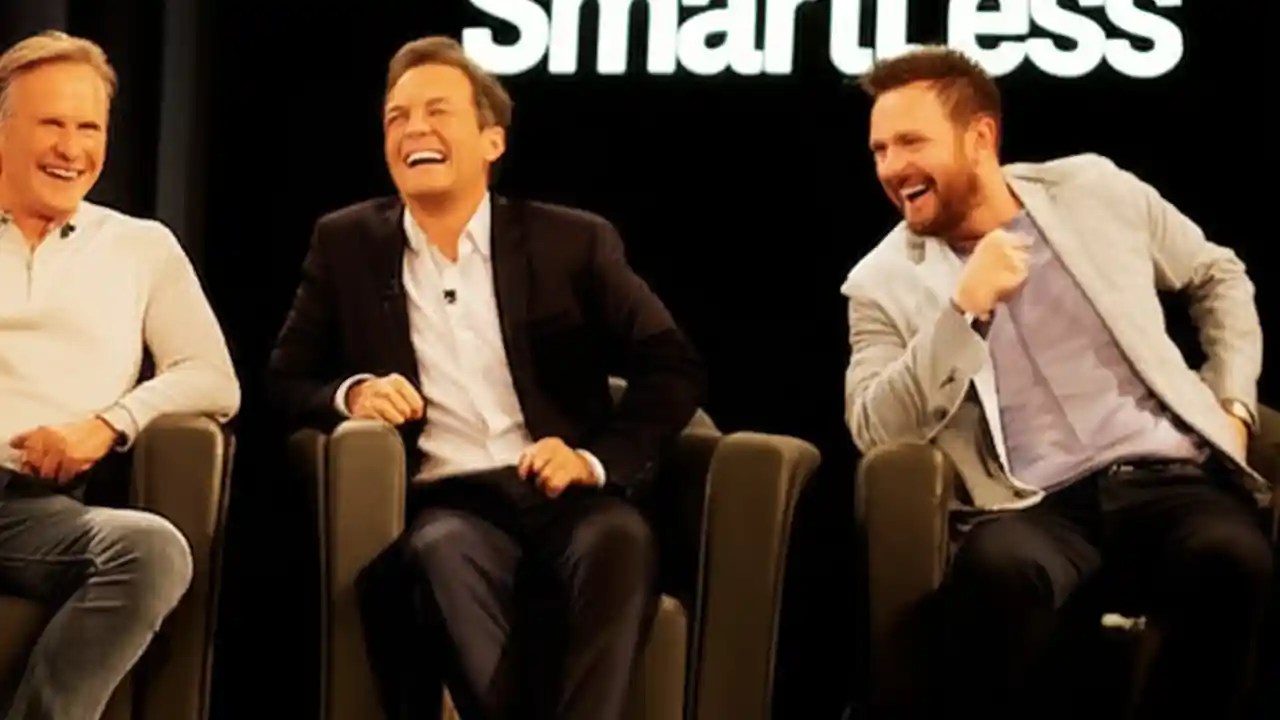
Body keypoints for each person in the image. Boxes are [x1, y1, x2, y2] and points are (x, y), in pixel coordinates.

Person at [266, 35, 704, 720]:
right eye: (396, 117)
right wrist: (352, 394)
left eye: (437, 111)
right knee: (441, 553)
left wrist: (593, 461)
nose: (414, 129)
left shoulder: (572, 241)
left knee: (621, 540)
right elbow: (284, 380)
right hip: (449, 504)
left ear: (491, 140)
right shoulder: (346, 243)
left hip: (565, 496)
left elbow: (672, 366)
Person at [841, 46, 1271, 718]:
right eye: (879, 150)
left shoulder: (1094, 190)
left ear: (979, 137)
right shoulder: (880, 281)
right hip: (1030, 506)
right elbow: (876, 428)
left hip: (1164, 478)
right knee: (998, 576)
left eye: (910, 142)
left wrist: (1232, 399)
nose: (891, 168)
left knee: (1235, 558)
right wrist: (962, 311)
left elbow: (1218, 275)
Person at [0, 30, 240, 720]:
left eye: (88, 127)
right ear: (5, 129)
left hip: (34, 512)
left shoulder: (140, 248)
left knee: (152, 549)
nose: (71, 149)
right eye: (51, 123)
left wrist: (108, 425)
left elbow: (212, 377)